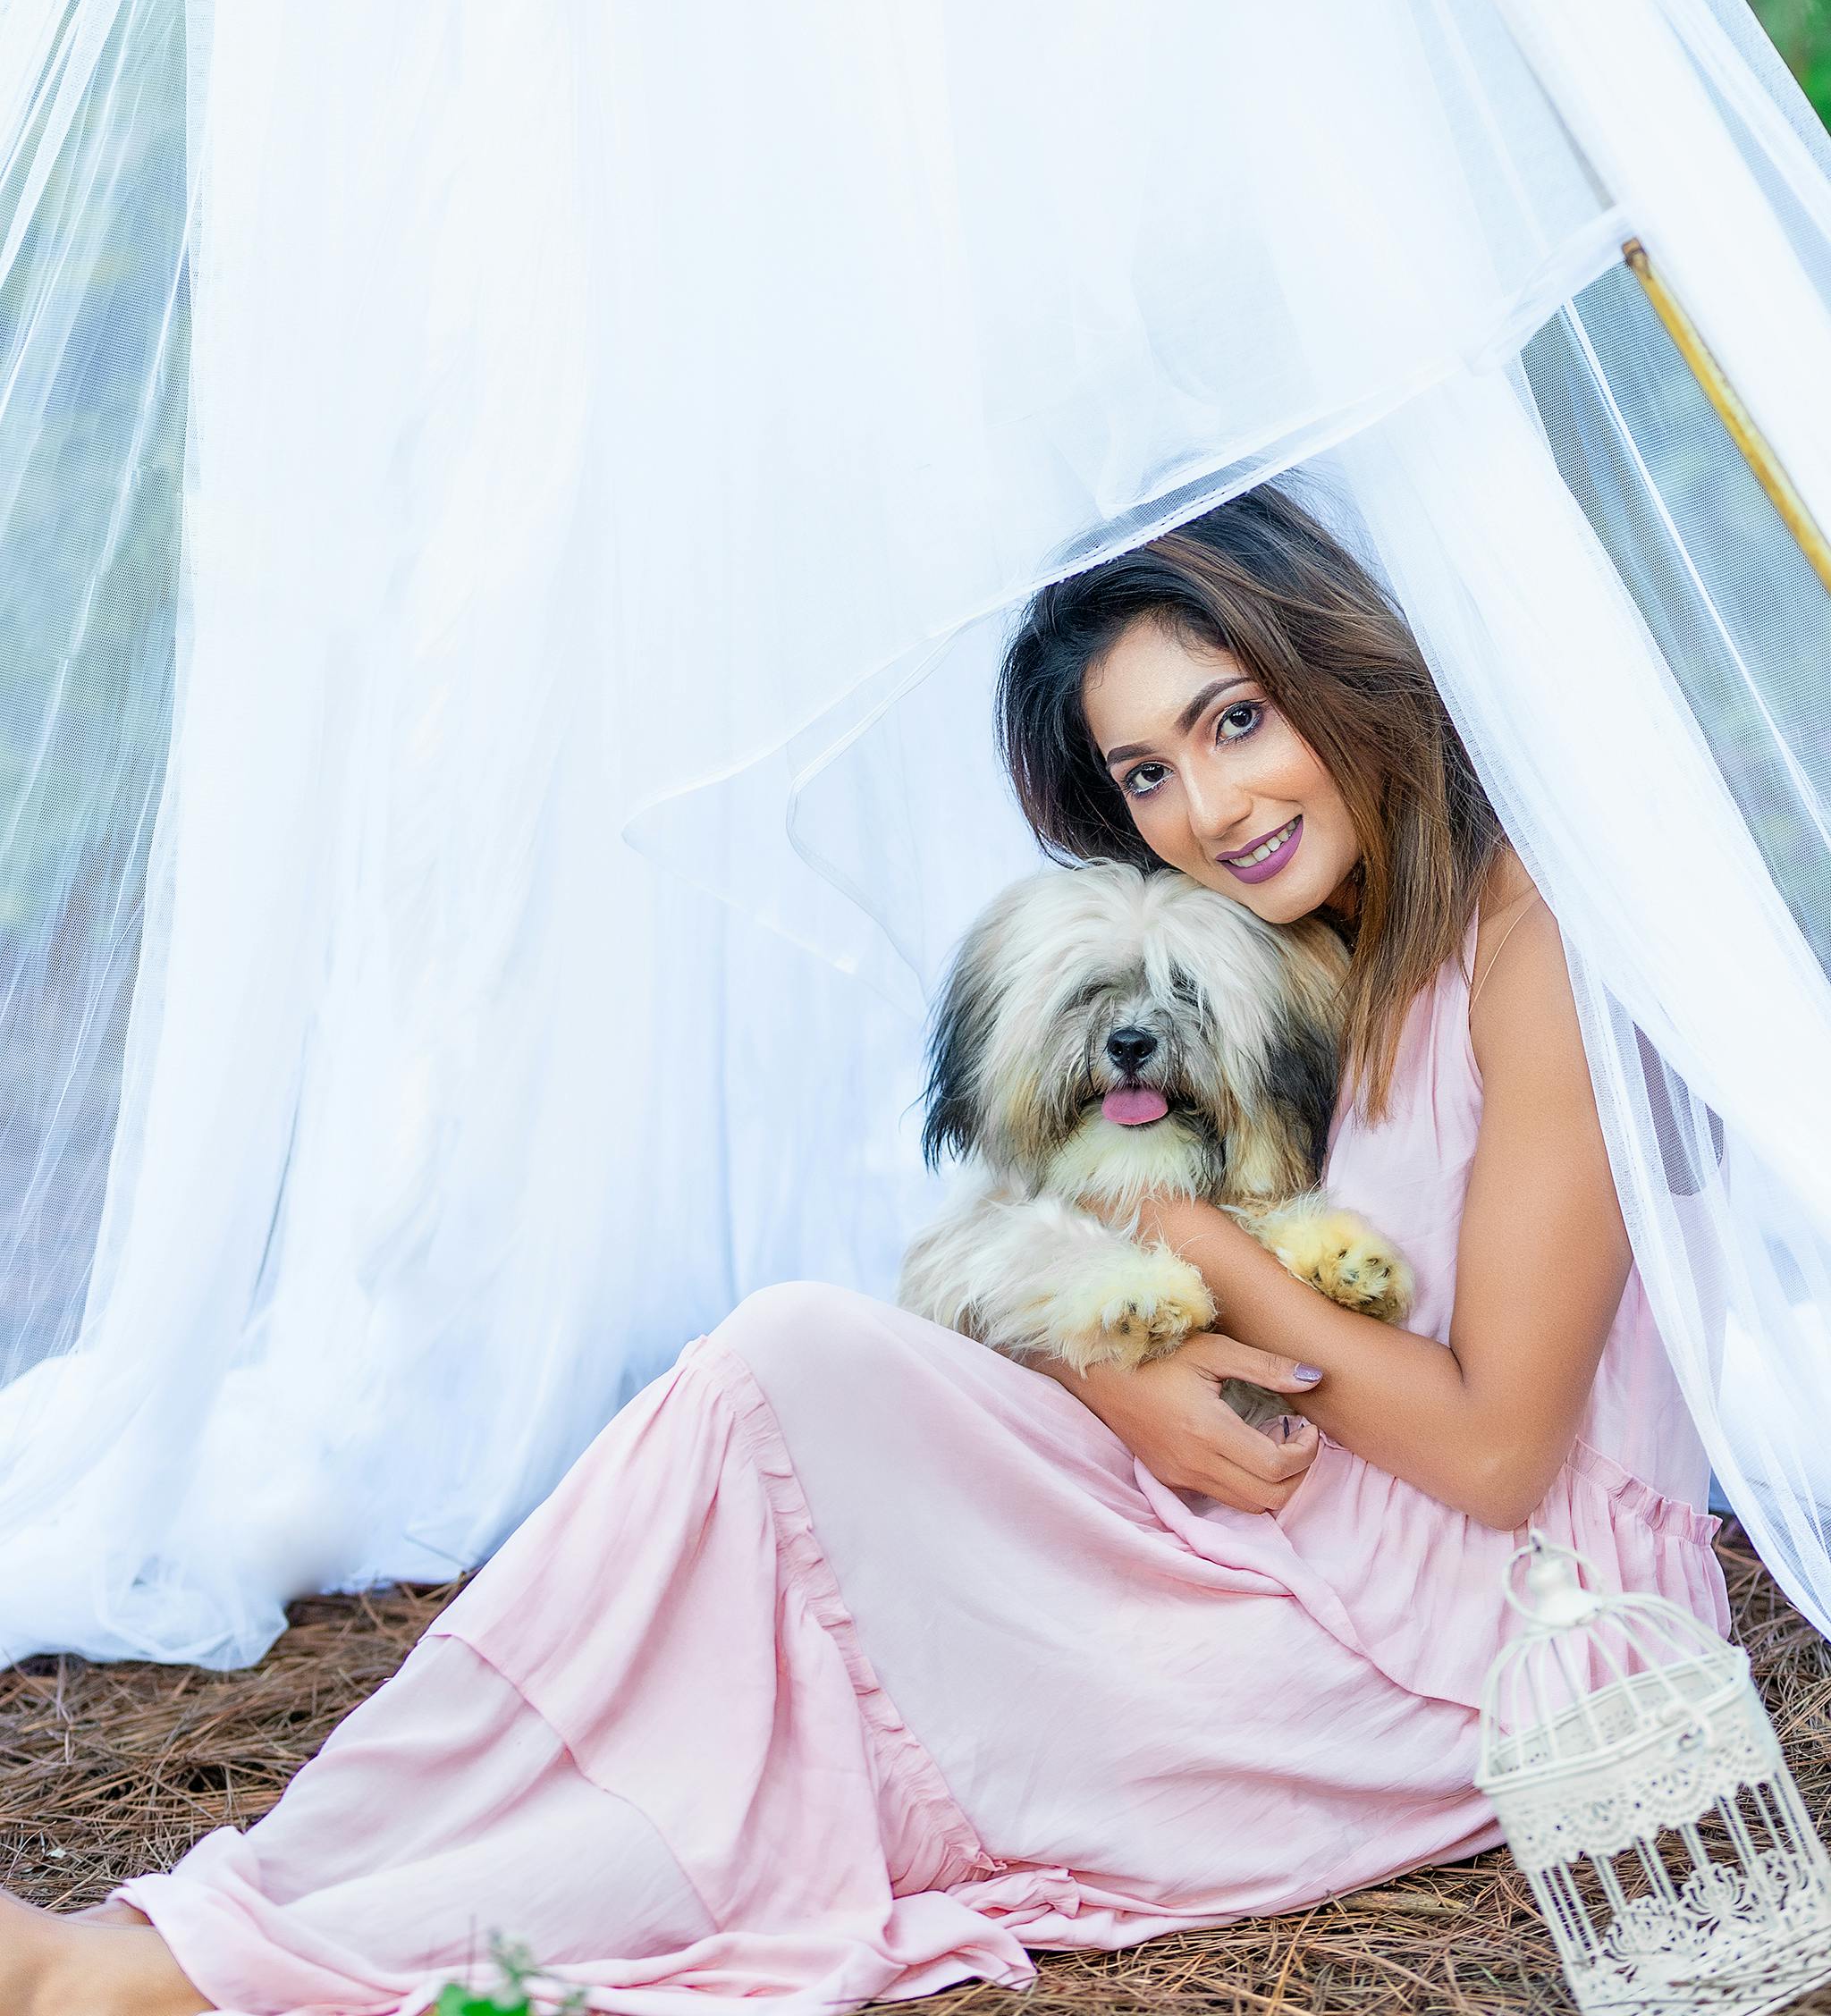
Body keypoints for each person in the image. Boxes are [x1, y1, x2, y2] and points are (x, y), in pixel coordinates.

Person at [0, 490, 1728, 2016]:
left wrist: (1177, 1223)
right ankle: (249, 1906)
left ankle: (180, 1976)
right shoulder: (1302, 941)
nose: (1208, 804)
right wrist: (1108, 1362)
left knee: (798, 1712)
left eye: (1235, 720)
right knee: (784, 1368)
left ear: (1330, 669)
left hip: (1471, 1651)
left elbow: (1502, 1453)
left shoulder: (1534, 939)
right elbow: (1177, 1257)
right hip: (1287, 1531)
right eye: (1148, 772)